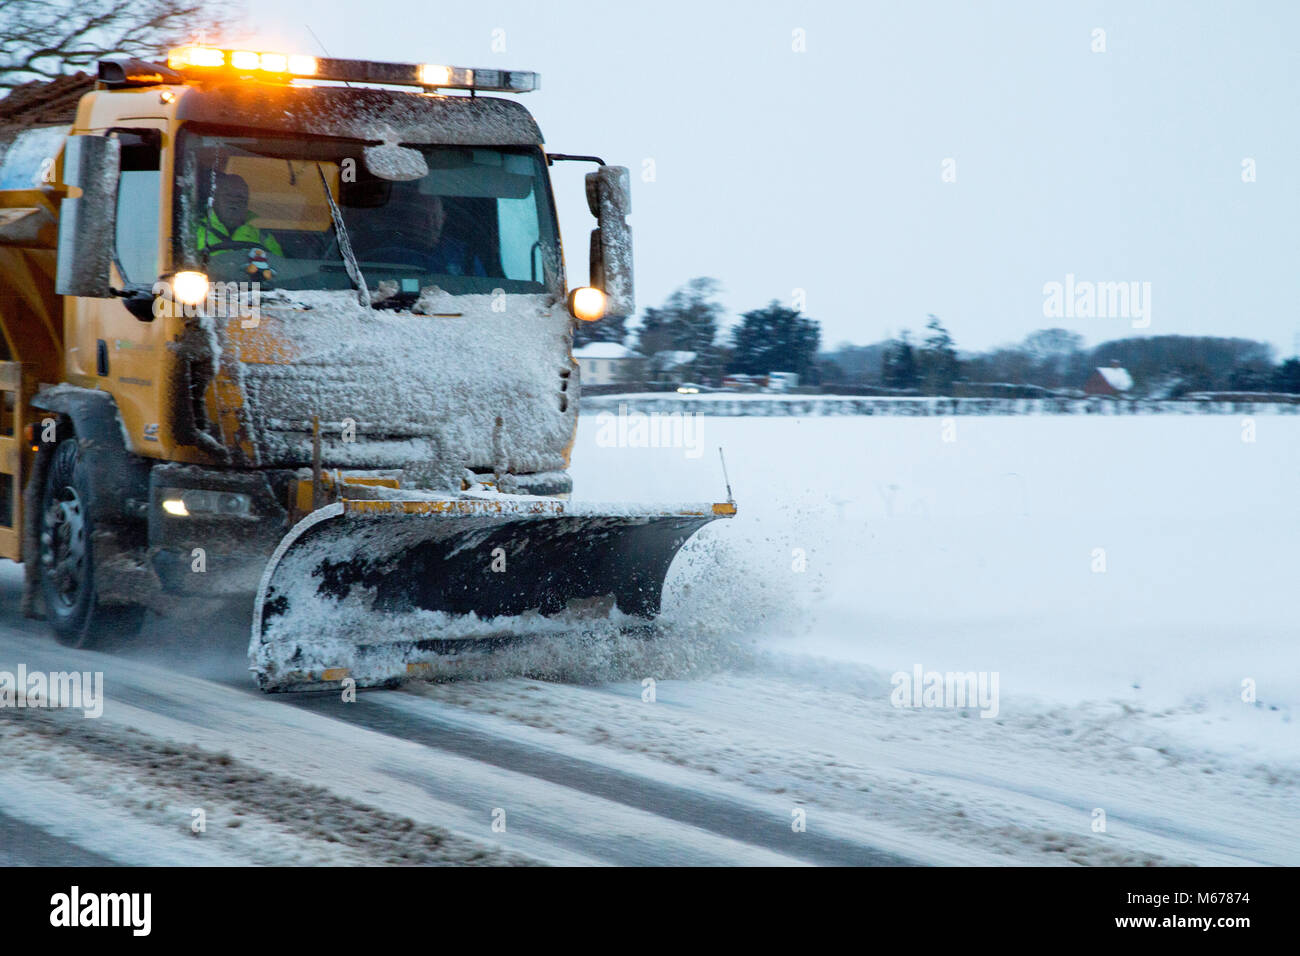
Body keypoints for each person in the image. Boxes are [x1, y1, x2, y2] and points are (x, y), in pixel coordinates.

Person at [369, 194, 485, 276]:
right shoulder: (389, 254)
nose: (431, 224)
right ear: (410, 219)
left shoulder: (464, 254)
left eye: (435, 217)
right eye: (423, 216)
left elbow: (482, 294)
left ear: (443, 218)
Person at [197, 172, 282, 264]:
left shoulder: (265, 239)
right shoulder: (193, 233)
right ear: (214, 200)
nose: (235, 201)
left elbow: (282, 270)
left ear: (247, 203)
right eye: (228, 195)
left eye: (241, 197)